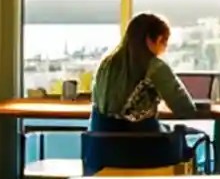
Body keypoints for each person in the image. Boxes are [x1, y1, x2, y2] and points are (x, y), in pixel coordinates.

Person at [85, 13, 200, 170]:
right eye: (164, 42)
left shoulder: (105, 64)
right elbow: (185, 109)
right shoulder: (155, 67)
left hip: (100, 155)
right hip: (140, 154)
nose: (164, 49)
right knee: (189, 145)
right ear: (154, 39)